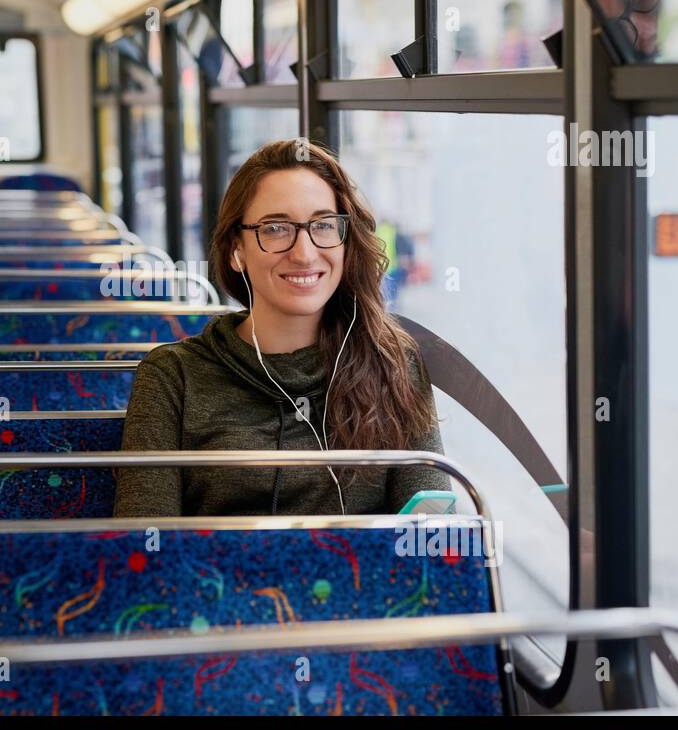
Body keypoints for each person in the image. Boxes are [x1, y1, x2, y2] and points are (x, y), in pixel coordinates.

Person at [115, 139, 448, 517]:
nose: (304, 253)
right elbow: (143, 547)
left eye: (322, 225)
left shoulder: (395, 363)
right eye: (276, 228)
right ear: (236, 251)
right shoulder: (172, 377)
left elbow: (432, 539)